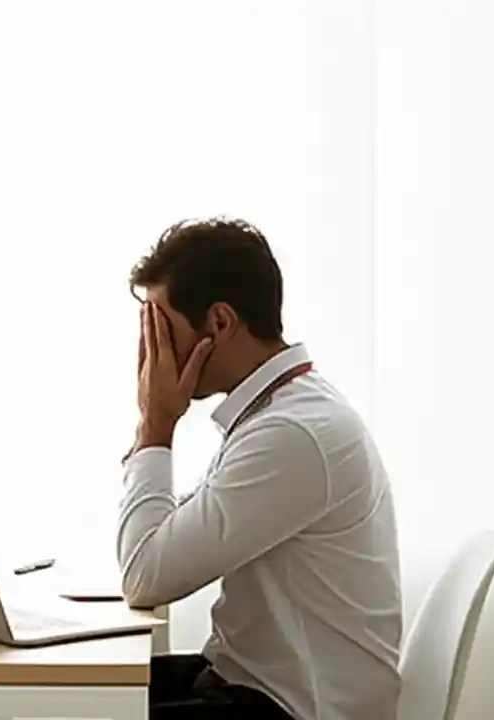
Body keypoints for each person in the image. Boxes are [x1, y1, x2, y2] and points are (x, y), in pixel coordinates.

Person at [116, 217, 401, 719]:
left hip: (288, 708)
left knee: (73, 705)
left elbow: (146, 575)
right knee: (82, 695)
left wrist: (155, 424)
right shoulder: (279, 412)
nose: (151, 354)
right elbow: (162, 547)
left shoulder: (293, 434)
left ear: (219, 323)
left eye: (161, 330)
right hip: (246, 681)